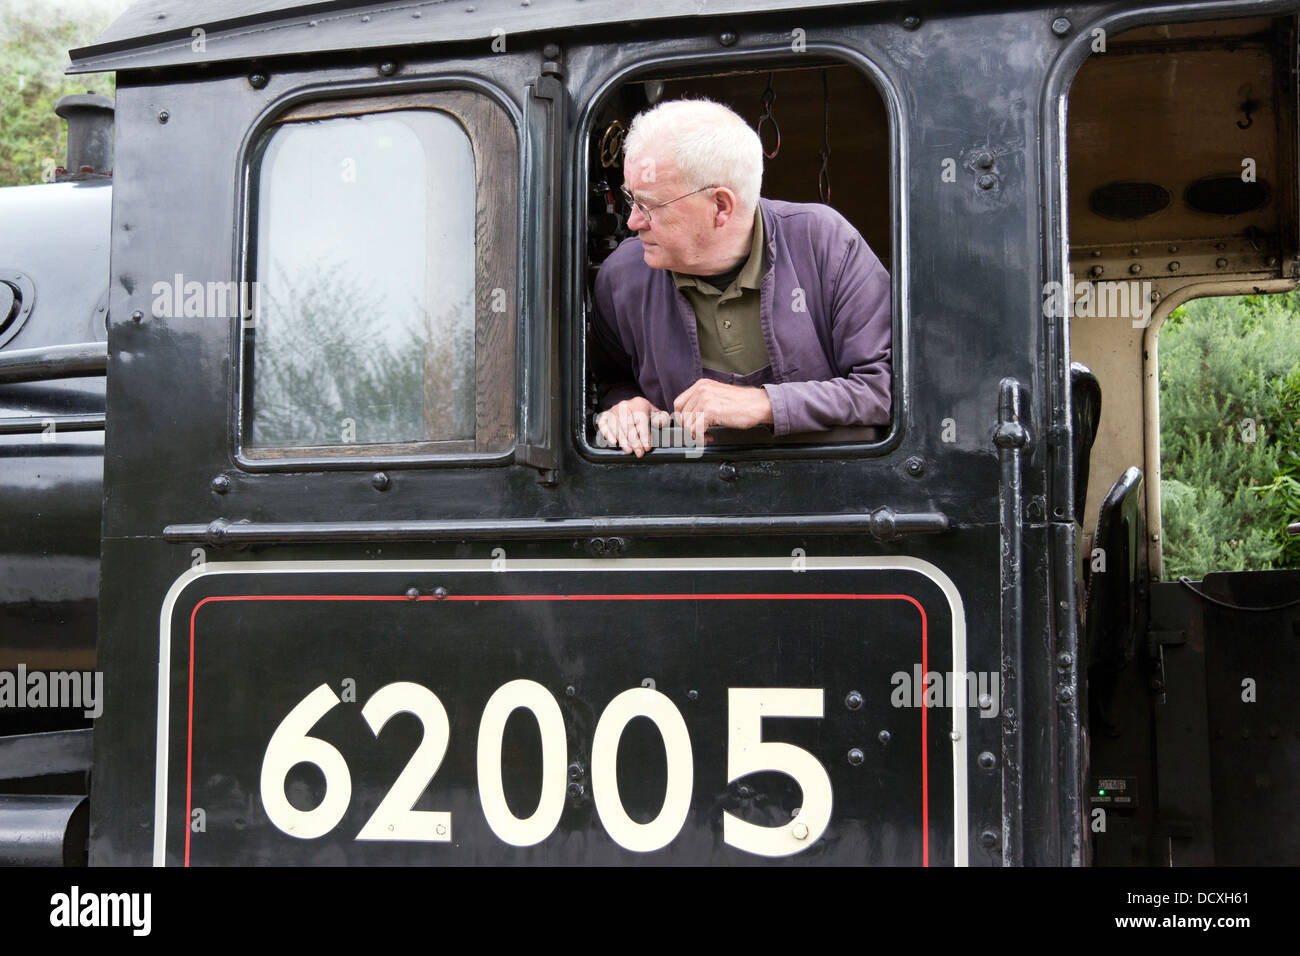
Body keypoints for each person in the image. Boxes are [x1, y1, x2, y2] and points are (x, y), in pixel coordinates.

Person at [590, 98, 892, 457]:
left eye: (649, 206)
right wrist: (626, 405)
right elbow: (611, 383)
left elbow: (884, 389)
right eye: (630, 199)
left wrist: (764, 404)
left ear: (721, 206)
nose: (632, 223)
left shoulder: (827, 243)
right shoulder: (620, 277)